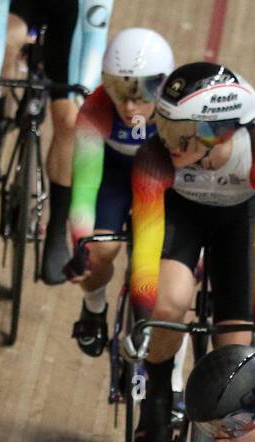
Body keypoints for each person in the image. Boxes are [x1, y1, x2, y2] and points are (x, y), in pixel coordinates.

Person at [126, 63, 255, 442]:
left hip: (238, 227)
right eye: (162, 126)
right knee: (168, 304)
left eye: (177, 134)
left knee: (234, 351)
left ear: (215, 132)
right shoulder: (153, 157)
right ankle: (157, 391)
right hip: (181, 219)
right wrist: (142, 318)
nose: (164, 142)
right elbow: (147, 251)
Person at [0, 0, 115, 285]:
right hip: (15, 7)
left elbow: (94, 39)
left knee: (70, 121)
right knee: (4, 46)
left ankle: (57, 230)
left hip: (70, 17)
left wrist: (82, 92)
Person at [65, 28, 175, 356]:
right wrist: (82, 244)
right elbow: (84, 186)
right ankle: (94, 305)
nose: (128, 106)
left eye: (141, 94)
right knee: (99, 251)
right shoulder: (95, 108)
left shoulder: (179, 112)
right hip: (112, 177)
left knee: (171, 267)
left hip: (162, 180)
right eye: (118, 90)